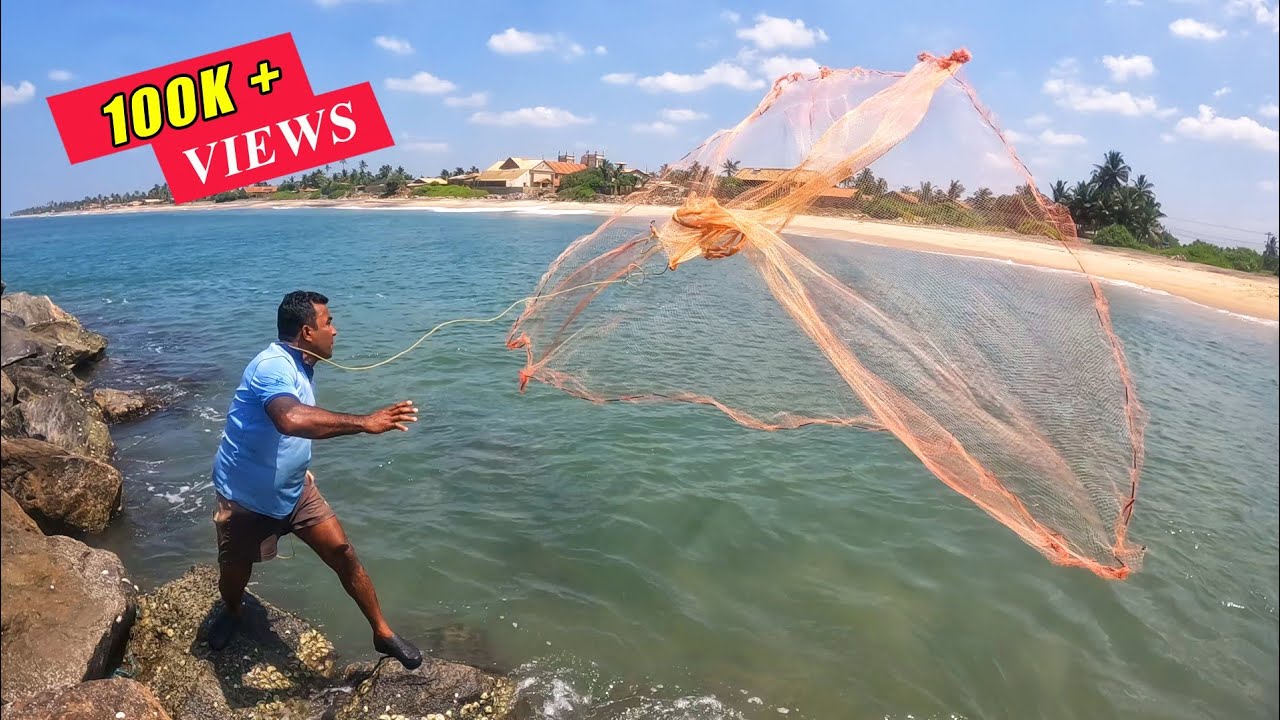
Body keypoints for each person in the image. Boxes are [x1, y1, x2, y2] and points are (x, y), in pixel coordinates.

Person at [206, 290, 423, 669]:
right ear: (308, 332)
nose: (335, 331)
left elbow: (289, 426)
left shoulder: (303, 363)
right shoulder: (271, 366)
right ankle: (233, 610)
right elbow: (289, 419)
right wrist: (365, 423)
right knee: (236, 569)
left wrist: (297, 466)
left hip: (295, 490)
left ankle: (382, 633)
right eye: (328, 322)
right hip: (247, 498)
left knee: (343, 553)